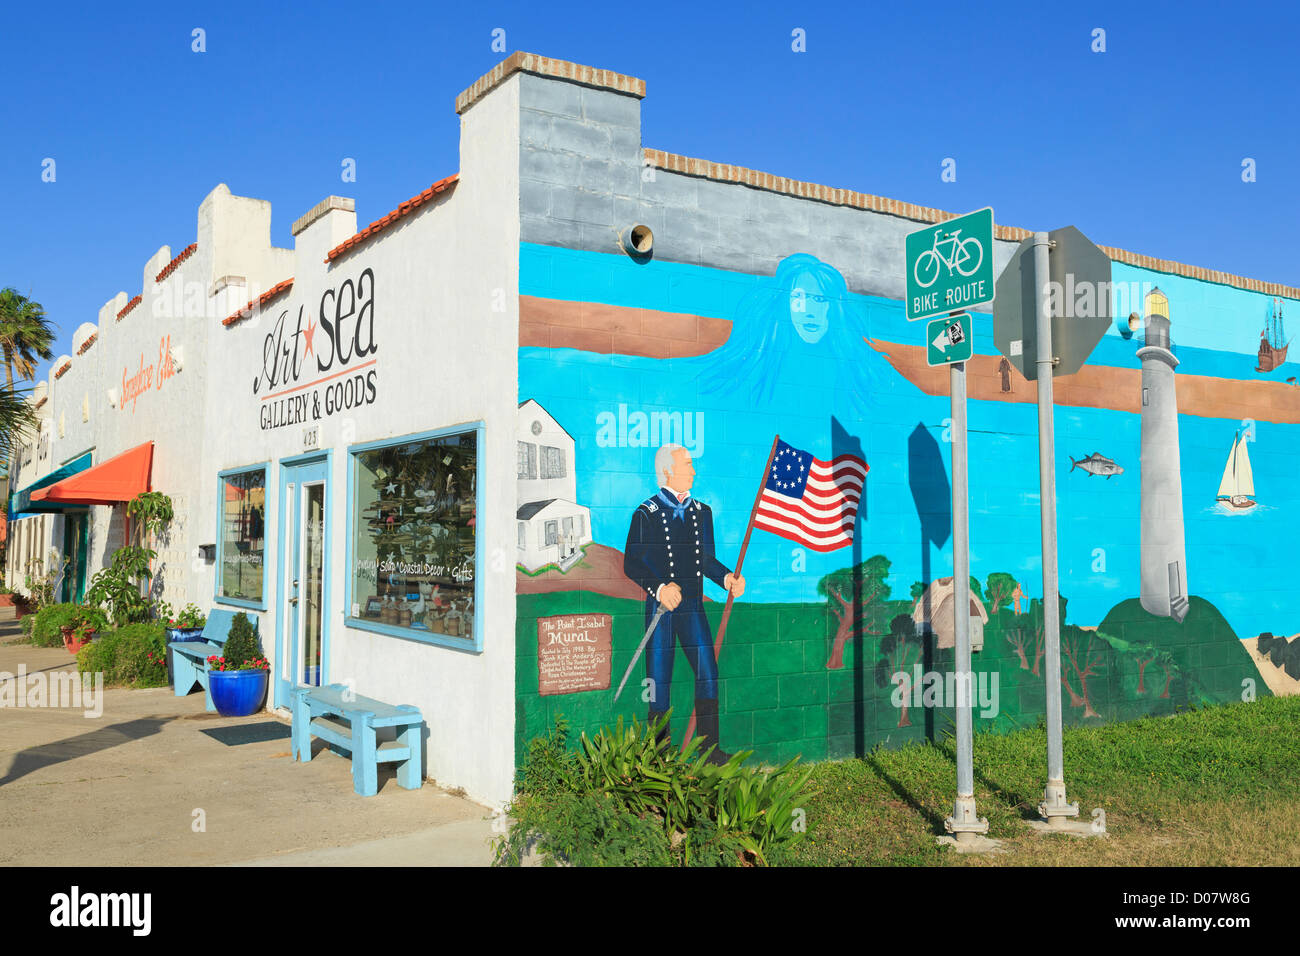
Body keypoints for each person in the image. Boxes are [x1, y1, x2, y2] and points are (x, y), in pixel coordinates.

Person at [623, 443, 744, 765]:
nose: (692, 470)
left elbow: (706, 558)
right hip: (661, 610)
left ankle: (709, 749)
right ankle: (659, 755)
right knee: (659, 679)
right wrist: (659, 588)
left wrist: (726, 577)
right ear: (667, 471)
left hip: (692, 607)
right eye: (686, 465)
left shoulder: (701, 512)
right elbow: (631, 563)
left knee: (708, 670)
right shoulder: (645, 513)